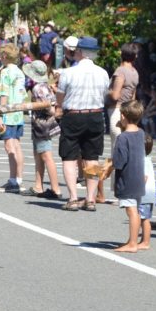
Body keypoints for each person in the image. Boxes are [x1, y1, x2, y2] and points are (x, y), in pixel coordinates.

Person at [55, 36, 110, 212]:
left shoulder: (69, 73)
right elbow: (104, 95)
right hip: (95, 115)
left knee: (69, 157)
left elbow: (60, 97)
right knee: (92, 157)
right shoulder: (103, 73)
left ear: (79, 51)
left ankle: (72, 197)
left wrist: (59, 107)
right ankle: (91, 198)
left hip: (73, 115)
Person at [99, 43, 141, 203]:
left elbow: (115, 95)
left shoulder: (120, 71)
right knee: (124, 152)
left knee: (117, 153)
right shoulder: (135, 73)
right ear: (134, 56)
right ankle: (121, 189)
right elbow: (133, 97)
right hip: (127, 112)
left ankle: (114, 190)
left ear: (122, 54)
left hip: (116, 111)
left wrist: (105, 91)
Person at [112, 100, 150, 252]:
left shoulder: (123, 138)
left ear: (122, 116)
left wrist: (111, 164)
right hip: (138, 178)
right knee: (135, 209)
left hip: (128, 178)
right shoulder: (141, 133)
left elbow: (120, 161)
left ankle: (133, 243)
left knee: (131, 211)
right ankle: (131, 240)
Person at [24, 60, 62, 199]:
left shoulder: (37, 89)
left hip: (42, 124)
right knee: (38, 155)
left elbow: (48, 108)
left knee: (46, 155)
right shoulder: (45, 86)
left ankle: (55, 189)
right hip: (41, 124)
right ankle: (38, 185)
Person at [0, 44, 28, 193]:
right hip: (18, 113)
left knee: (9, 146)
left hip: (8, 113)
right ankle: (19, 178)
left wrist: (0, 115)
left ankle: (13, 181)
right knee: (17, 145)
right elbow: (23, 93)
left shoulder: (6, 72)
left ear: (5, 56)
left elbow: (4, 94)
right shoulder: (20, 72)